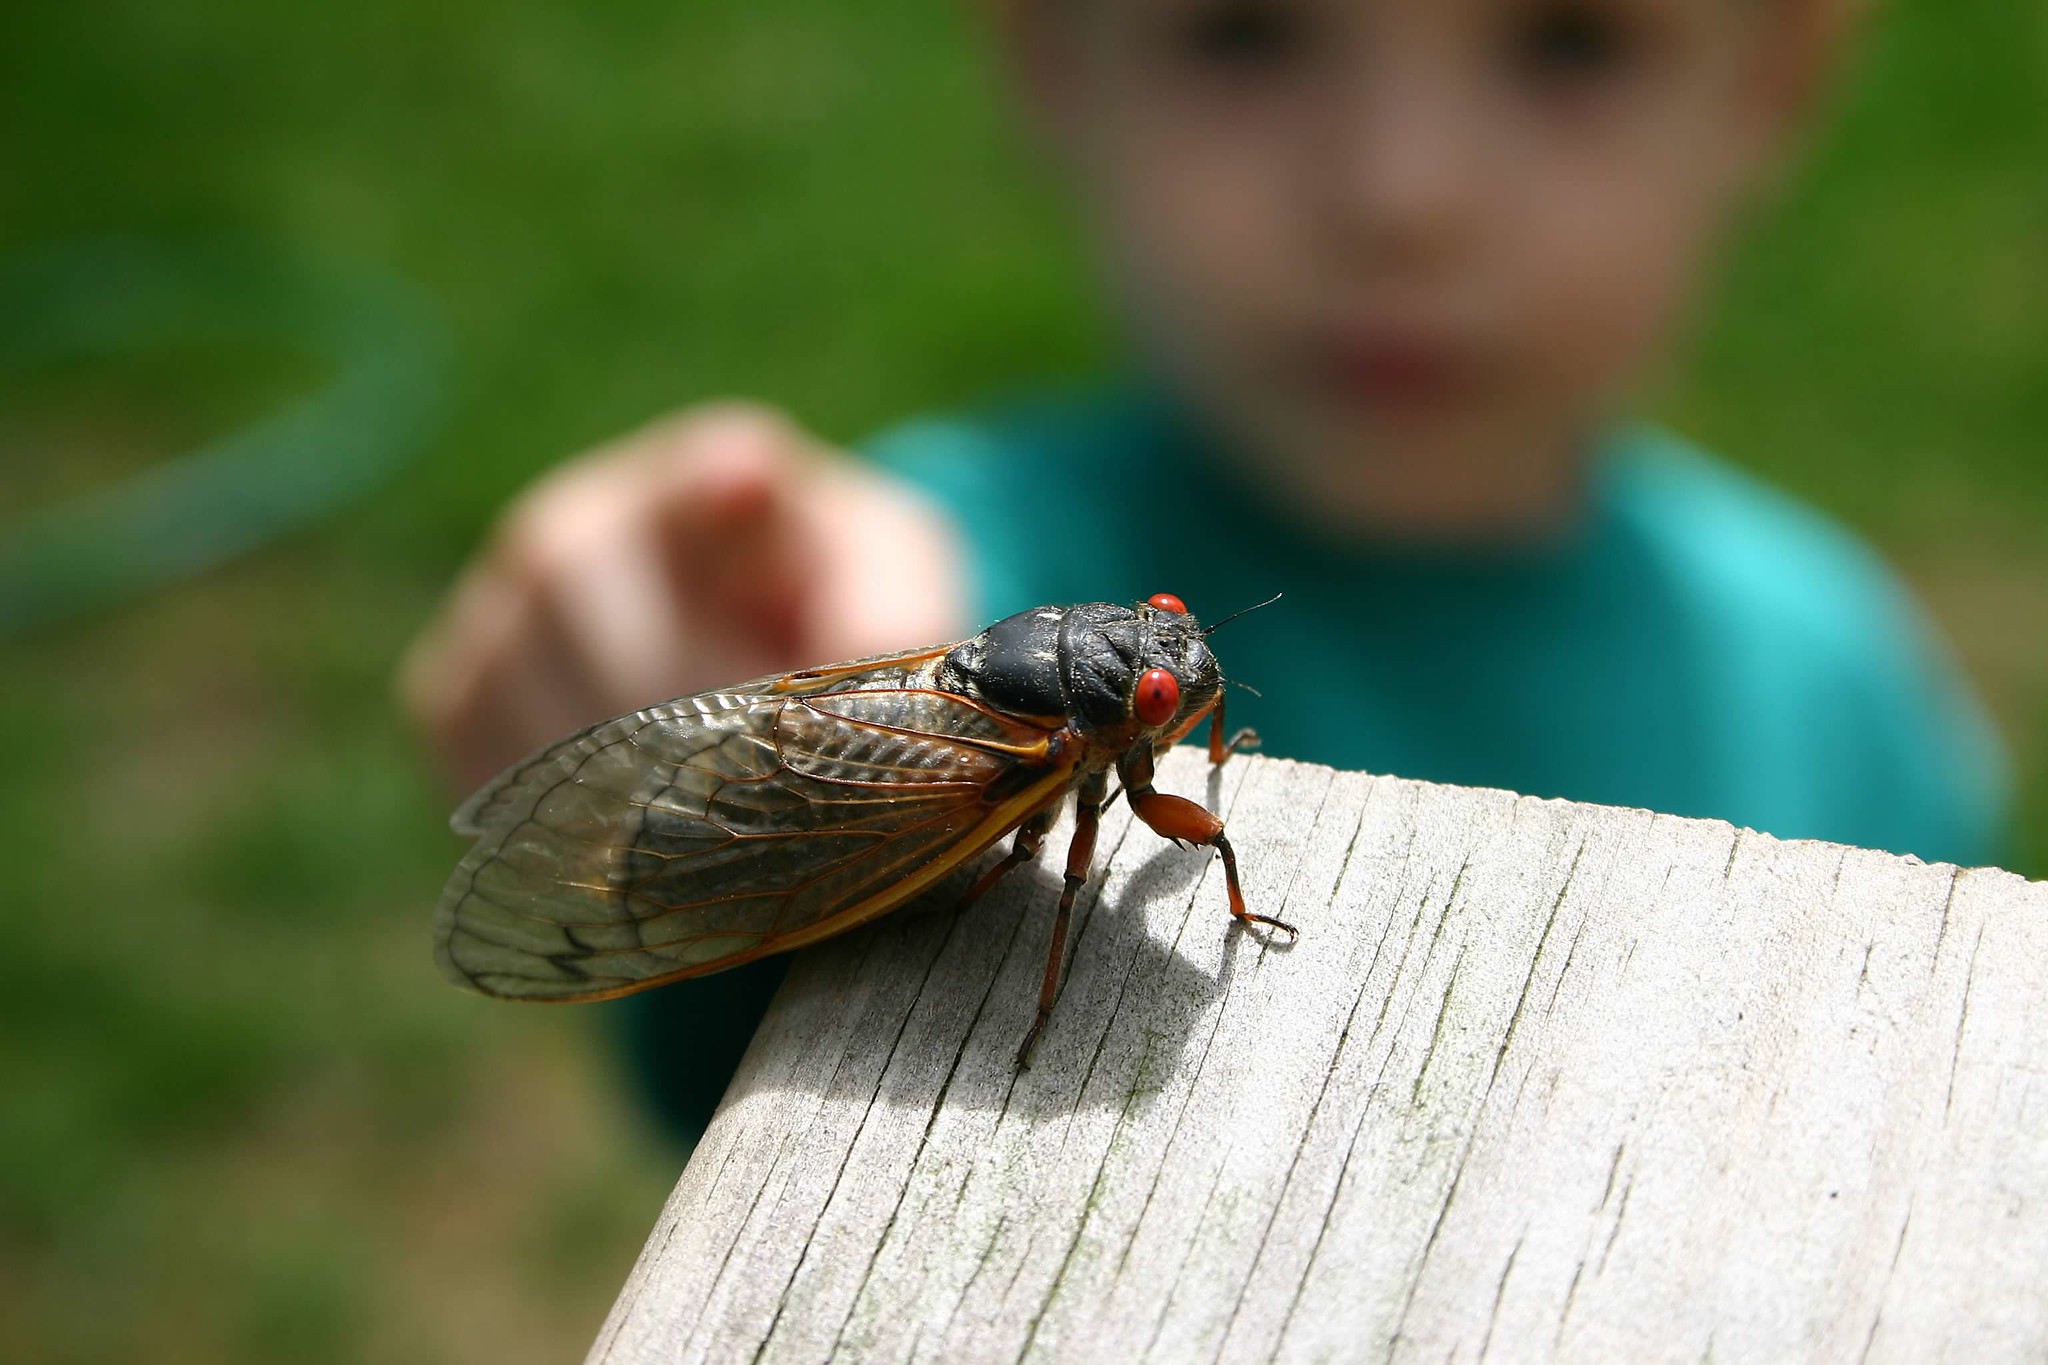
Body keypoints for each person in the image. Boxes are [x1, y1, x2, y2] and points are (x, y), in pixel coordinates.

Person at [402, 0, 2009, 1145]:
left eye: (1569, 39)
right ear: (1043, 49)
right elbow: (781, 1024)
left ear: (1781, 73)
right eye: (1244, 30)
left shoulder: (1841, 687)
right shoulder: (949, 559)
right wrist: (730, 651)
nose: (1401, 194)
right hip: (896, 759)